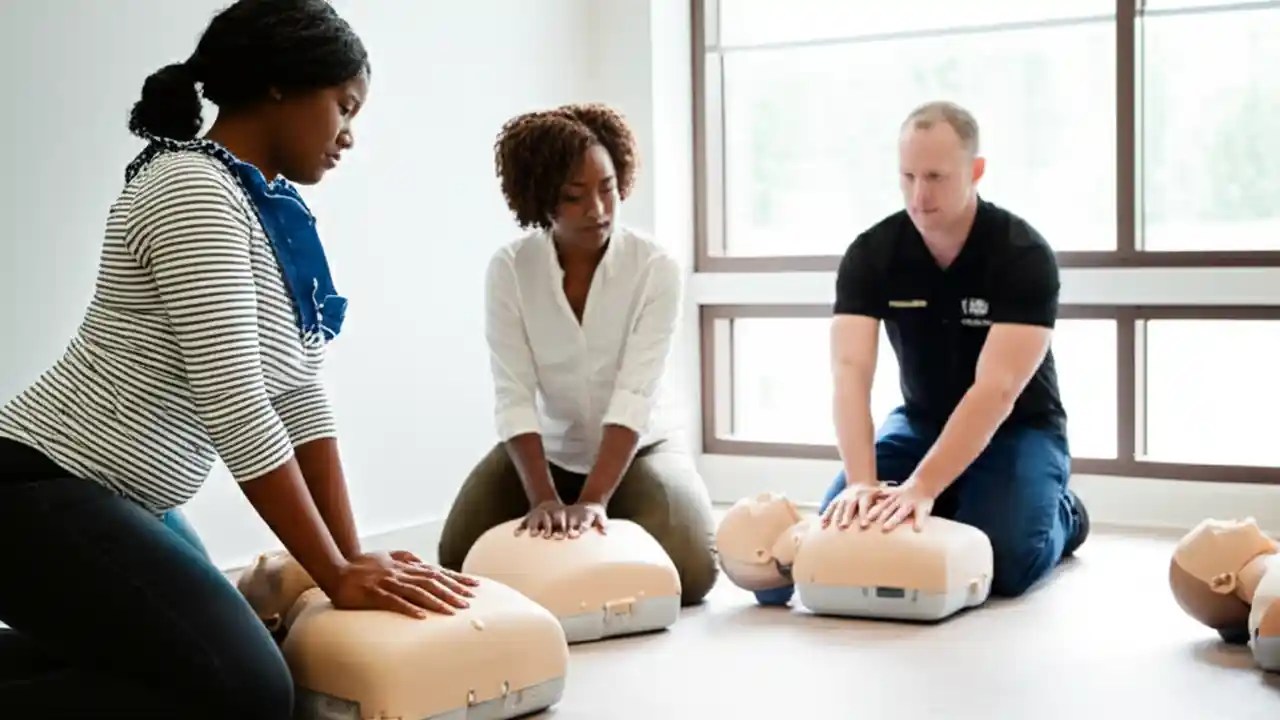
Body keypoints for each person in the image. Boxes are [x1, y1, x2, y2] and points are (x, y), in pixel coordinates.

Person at [0, 2, 475, 717]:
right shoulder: (190, 188)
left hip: (120, 499)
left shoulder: (265, 208)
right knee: (246, 692)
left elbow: (296, 394)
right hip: (37, 494)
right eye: (344, 107)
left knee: (205, 656)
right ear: (282, 84)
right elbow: (237, 402)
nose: (350, 135)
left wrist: (347, 561)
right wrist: (335, 571)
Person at [765, 100, 1090, 603]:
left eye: (936, 177)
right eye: (908, 176)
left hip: (1019, 427)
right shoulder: (872, 253)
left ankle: (1063, 512)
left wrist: (921, 487)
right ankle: (952, 493)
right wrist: (861, 484)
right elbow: (850, 373)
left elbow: (997, 389)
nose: (920, 195)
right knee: (843, 536)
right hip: (921, 421)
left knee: (1002, 562)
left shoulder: (1022, 254)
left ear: (975, 171)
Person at [436, 103, 719, 605]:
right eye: (574, 196)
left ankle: (618, 520)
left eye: (607, 187)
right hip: (549, 449)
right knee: (458, 556)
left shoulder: (655, 268)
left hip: (641, 450)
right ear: (542, 199)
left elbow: (636, 392)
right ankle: (599, 530)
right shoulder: (510, 270)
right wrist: (543, 497)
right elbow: (514, 394)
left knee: (692, 573)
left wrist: (592, 502)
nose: (598, 209)